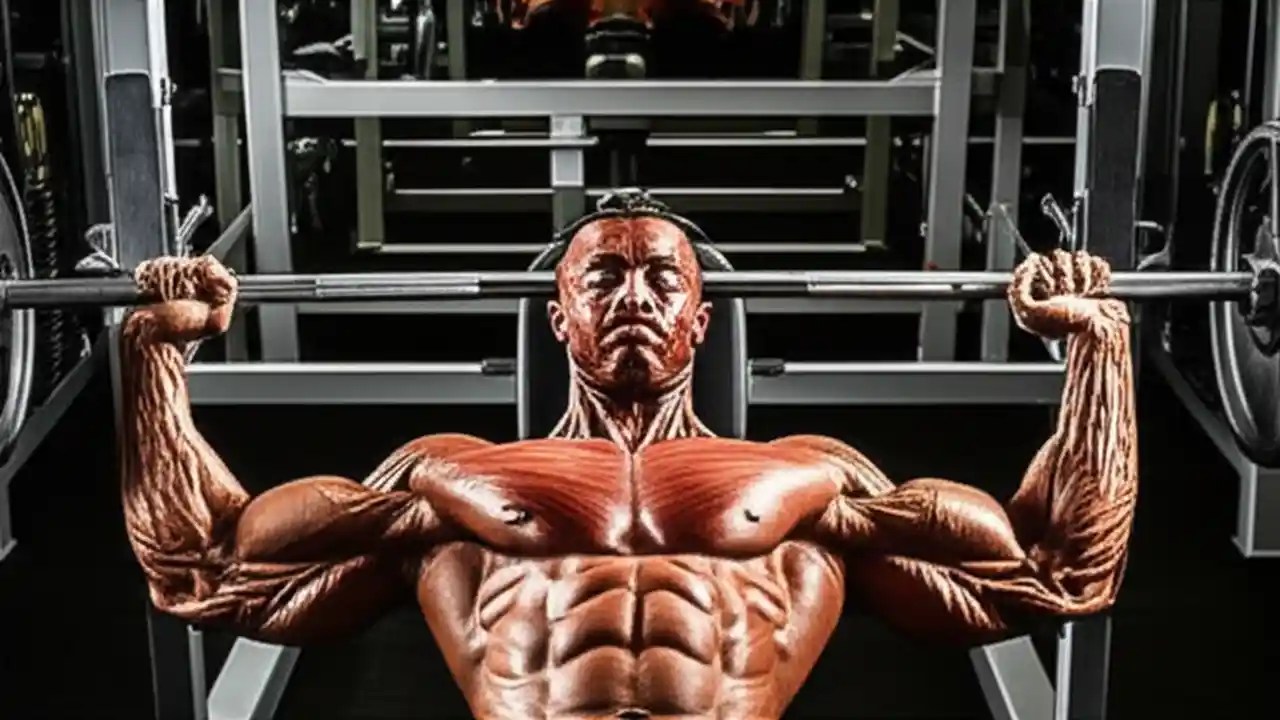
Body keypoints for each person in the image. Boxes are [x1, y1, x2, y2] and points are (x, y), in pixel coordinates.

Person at [117, 191, 1137, 720]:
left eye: (660, 279)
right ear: (559, 318)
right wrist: (153, 350)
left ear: (699, 320)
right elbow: (201, 570)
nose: (634, 296)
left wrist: (1098, 346)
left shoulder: (811, 476)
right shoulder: (443, 474)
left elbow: (1060, 573)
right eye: (601, 277)